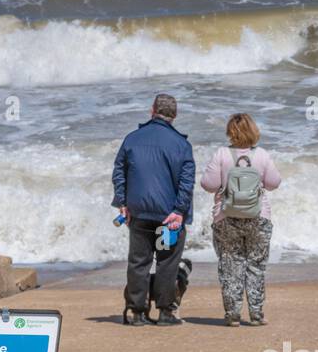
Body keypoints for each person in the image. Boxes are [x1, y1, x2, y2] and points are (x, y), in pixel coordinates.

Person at [111, 93, 195, 326]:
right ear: (174, 116)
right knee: (167, 261)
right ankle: (165, 312)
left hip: (139, 213)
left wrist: (122, 203)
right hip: (168, 218)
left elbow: (119, 172)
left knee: (139, 261)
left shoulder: (132, 139)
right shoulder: (181, 144)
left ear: (152, 110)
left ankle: (136, 312)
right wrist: (179, 211)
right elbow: (186, 183)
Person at [199, 113, 282, 326]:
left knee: (230, 264)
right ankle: (256, 314)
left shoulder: (221, 154)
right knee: (256, 264)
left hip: (226, 216)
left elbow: (208, 185)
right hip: (258, 217)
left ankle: (233, 314)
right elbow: (274, 182)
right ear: (254, 131)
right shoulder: (262, 155)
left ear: (230, 132)